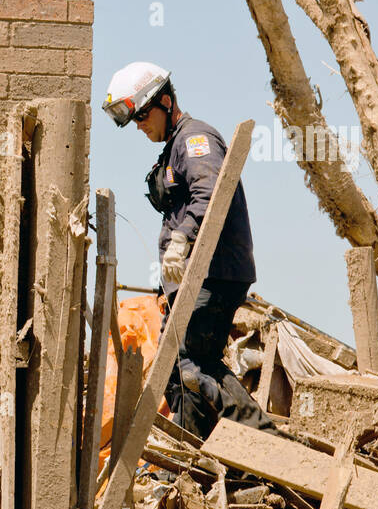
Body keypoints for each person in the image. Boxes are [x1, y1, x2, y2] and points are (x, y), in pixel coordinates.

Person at [103, 61, 274, 441]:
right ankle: (215, 451)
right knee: (184, 369)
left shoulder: (194, 139)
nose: (139, 125)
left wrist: (181, 239)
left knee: (187, 365)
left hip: (213, 273)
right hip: (196, 277)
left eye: (143, 115)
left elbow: (210, 189)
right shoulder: (173, 148)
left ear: (166, 101)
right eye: (133, 120)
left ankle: (255, 446)